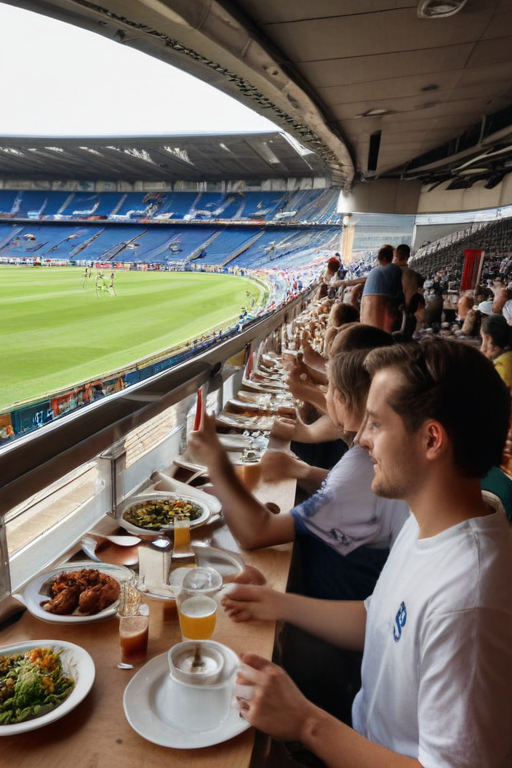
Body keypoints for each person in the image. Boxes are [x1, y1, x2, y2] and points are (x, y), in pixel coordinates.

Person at [224, 337, 512, 768]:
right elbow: (377, 616)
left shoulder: (466, 604)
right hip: (358, 730)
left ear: (431, 440)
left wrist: (306, 724)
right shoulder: (428, 518)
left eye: (376, 423)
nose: (359, 439)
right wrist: (273, 602)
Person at [359, 245, 403, 332]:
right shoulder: (394, 269)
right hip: (382, 328)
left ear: (379, 258)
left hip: (365, 327)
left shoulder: (373, 272)